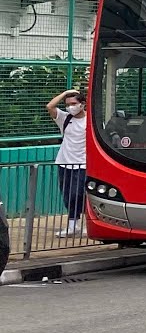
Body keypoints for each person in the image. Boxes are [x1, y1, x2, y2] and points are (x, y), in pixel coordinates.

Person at [47, 89, 88, 238]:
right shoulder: (64, 118)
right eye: (68, 104)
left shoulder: (90, 120)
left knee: (77, 194)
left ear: (82, 104)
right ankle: (72, 225)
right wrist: (66, 93)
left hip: (82, 164)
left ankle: (83, 223)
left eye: (74, 103)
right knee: (67, 195)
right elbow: (50, 107)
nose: (70, 107)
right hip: (64, 162)